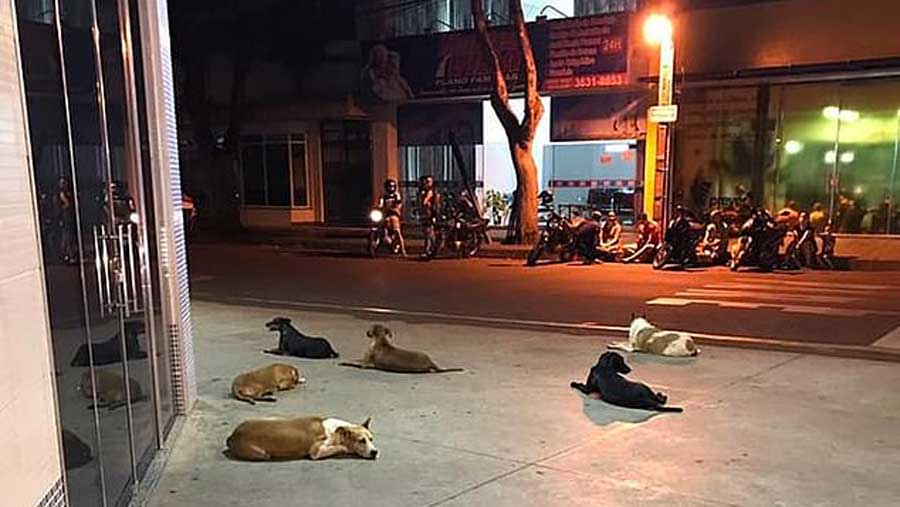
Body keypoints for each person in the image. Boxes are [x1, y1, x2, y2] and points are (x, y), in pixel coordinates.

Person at [377, 179, 406, 256]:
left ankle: (403, 250)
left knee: (397, 231)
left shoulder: (397, 195)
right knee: (383, 227)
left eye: (393, 186)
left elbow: (399, 205)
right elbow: (380, 204)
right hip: (385, 215)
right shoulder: (384, 196)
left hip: (394, 215)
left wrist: (395, 208)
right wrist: (377, 208)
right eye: (389, 186)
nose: (391, 188)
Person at [418, 175, 441, 257]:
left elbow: (426, 202)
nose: (426, 184)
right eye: (425, 182)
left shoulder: (431, 192)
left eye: (428, 182)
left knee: (429, 232)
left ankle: (429, 250)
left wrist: (434, 215)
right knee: (427, 232)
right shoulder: (422, 191)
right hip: (424, 214)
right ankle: (431, 249)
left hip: (429, 214)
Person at [57, 178, 77, 264]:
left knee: (67, 238)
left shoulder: (66, 193)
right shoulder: (62, 194)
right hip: (65, 220)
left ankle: (67, 255)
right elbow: (66, 204)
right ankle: (68, 255)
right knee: (67, 238)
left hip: (67, 220)